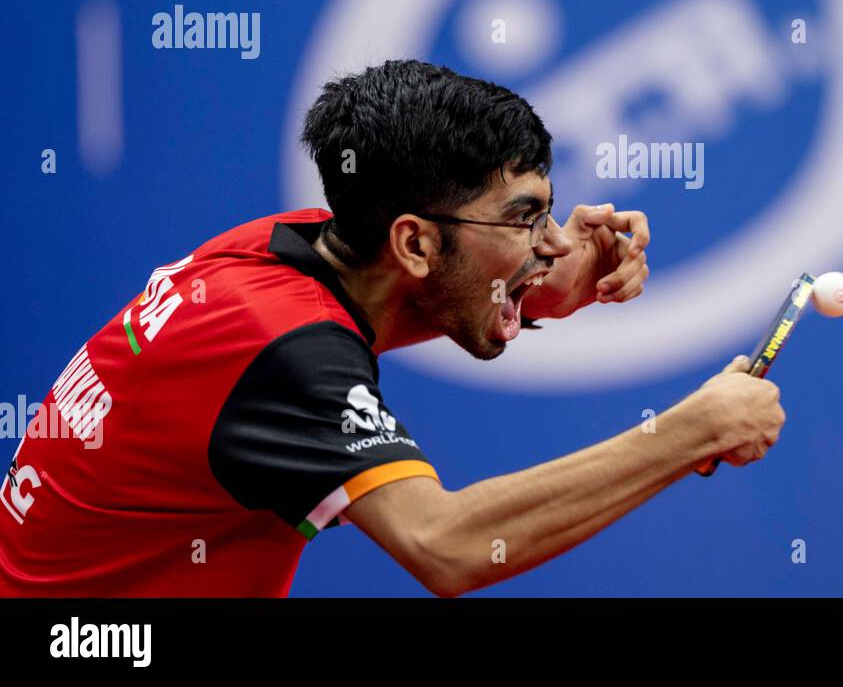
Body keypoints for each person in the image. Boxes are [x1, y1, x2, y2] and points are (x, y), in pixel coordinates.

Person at [0, 60, 785, 597]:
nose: (551, 241)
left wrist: (540, 292)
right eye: (525, 218)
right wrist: (688, 432)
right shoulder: (282, 348)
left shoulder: (293, 249)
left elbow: (407, 303)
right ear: (413, 240)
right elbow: (447, 546)